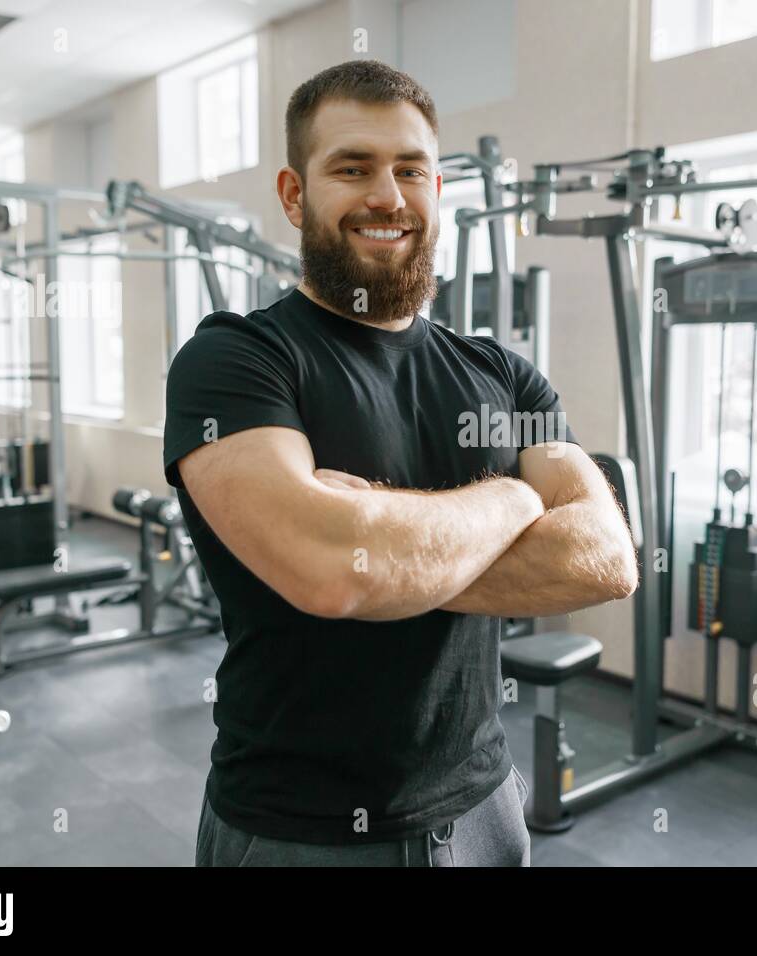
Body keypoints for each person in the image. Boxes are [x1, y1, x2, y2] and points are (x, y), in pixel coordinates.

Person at [164, 59, 637, 867]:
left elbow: (606, 559)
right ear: (294, 195)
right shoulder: (236, 362)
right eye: (353, 169)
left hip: (485, 807)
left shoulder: (503, 373)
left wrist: (387, 551)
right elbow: (333, 571)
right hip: (297, 831)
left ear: (436, 191)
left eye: (411, 170)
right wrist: (517, 499)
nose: (387, 196)